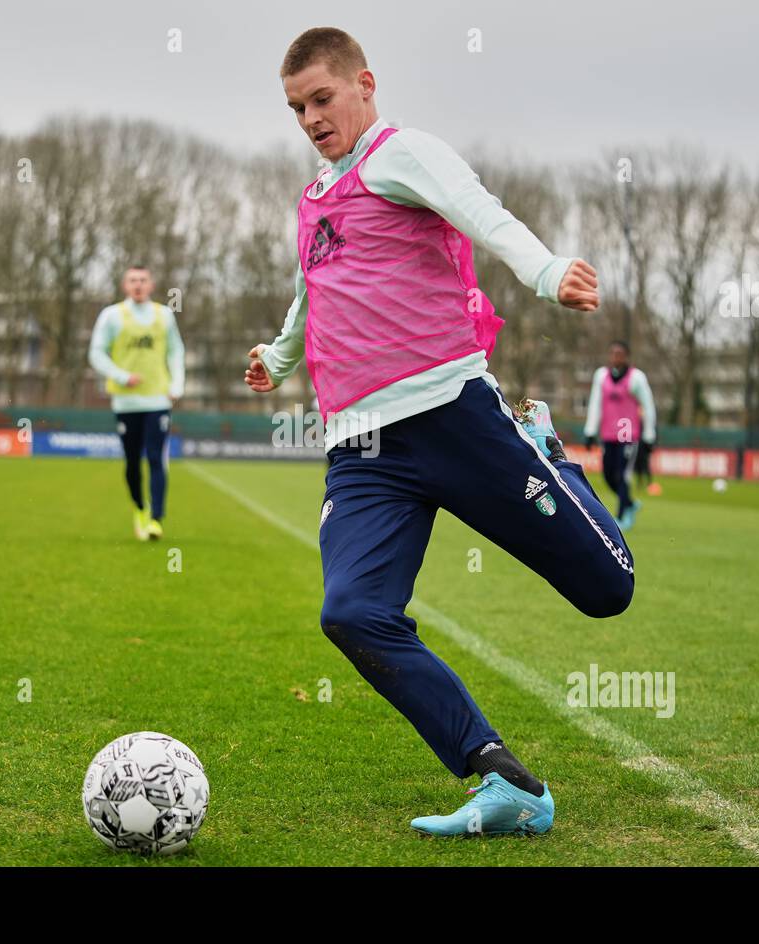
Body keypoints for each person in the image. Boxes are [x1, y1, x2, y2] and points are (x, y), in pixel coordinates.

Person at [243, 28, 633, 838]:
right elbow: (311, 288)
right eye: (296, 108)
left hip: (452, 415)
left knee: (607, 591)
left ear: (364, 84)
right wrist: (278, 358)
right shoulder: (317, 197)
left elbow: (479, 213)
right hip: (362, 451)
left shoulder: (402, 153)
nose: (311, 118)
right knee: (352, 612)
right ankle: (502, 779)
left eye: (321, 98)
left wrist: (546, 272)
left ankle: (550, 456)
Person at [88, 265, 185, 540]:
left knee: (156, 457)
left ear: (151, 284)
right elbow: (96, 353)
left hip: (157, 399)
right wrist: (120, 375)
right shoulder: (112, 316)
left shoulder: (164, 315)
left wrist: (177, 384)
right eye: (133, 280)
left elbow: (176, 350)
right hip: (125, 401)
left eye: (143, 280)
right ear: (125, 285)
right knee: (132, 462)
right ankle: (140, 508)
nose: (138, 284)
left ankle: (156, 519)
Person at [582, 341, 658, 530]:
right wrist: (590, 431)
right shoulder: (601, 376)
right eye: (613, 353)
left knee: (623, 475)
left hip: (628, 435)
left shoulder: (636, 378)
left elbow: (648, 407)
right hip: (608, 435)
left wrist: (649, 436)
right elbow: (595, 404)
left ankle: (622, 517)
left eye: (620, 354)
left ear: (626, 357)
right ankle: (630, 504)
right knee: (608, 475)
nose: (616, 357)